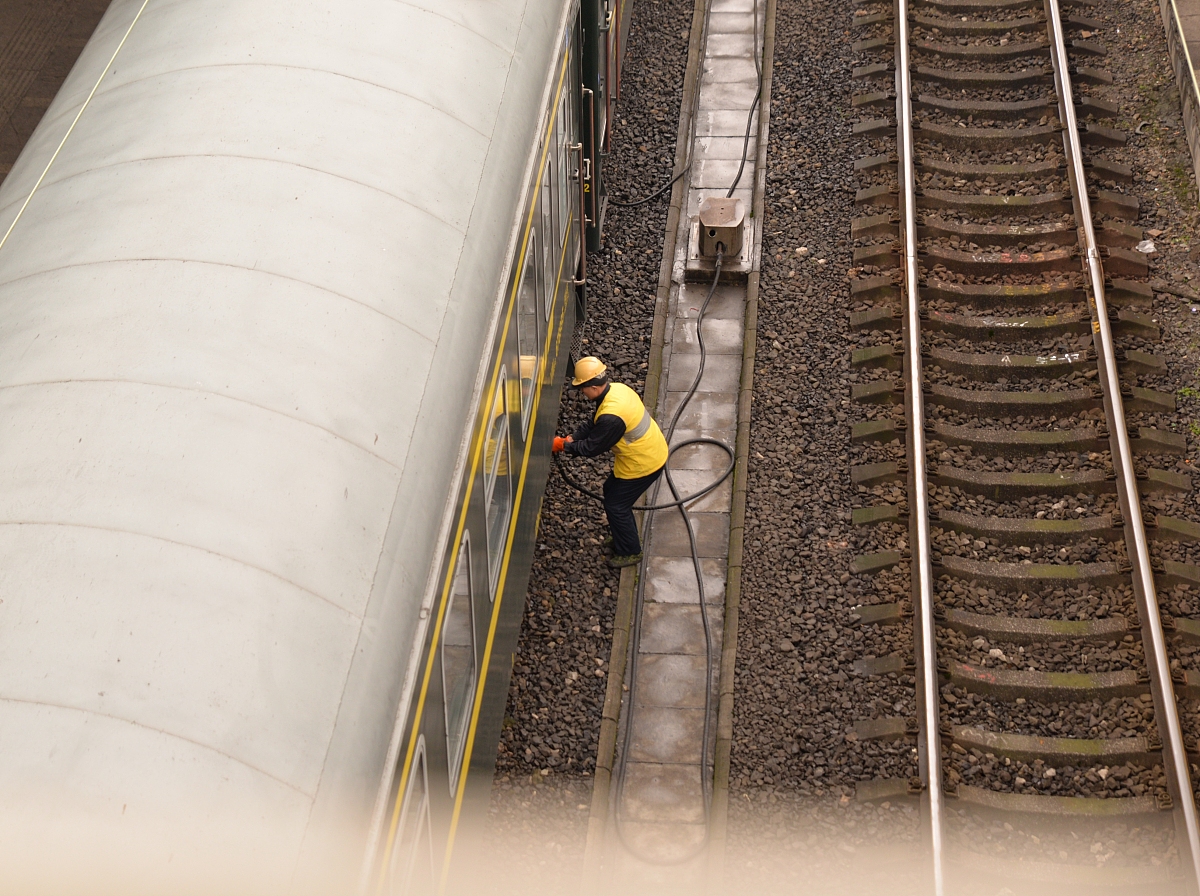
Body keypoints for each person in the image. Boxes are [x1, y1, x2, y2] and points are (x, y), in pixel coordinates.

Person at [552, 357, 669, 568]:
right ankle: (624, 537)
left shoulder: (612, 417)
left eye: (582, 388)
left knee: (616, 505)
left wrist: (563, 446)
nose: (581, 393)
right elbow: (593, 422)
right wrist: (574, 437)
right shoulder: (616, 391)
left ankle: (631, 551)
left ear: (594, 387)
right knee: (611, 490)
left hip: (643, 464)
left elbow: (593, 447)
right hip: (648, 451)